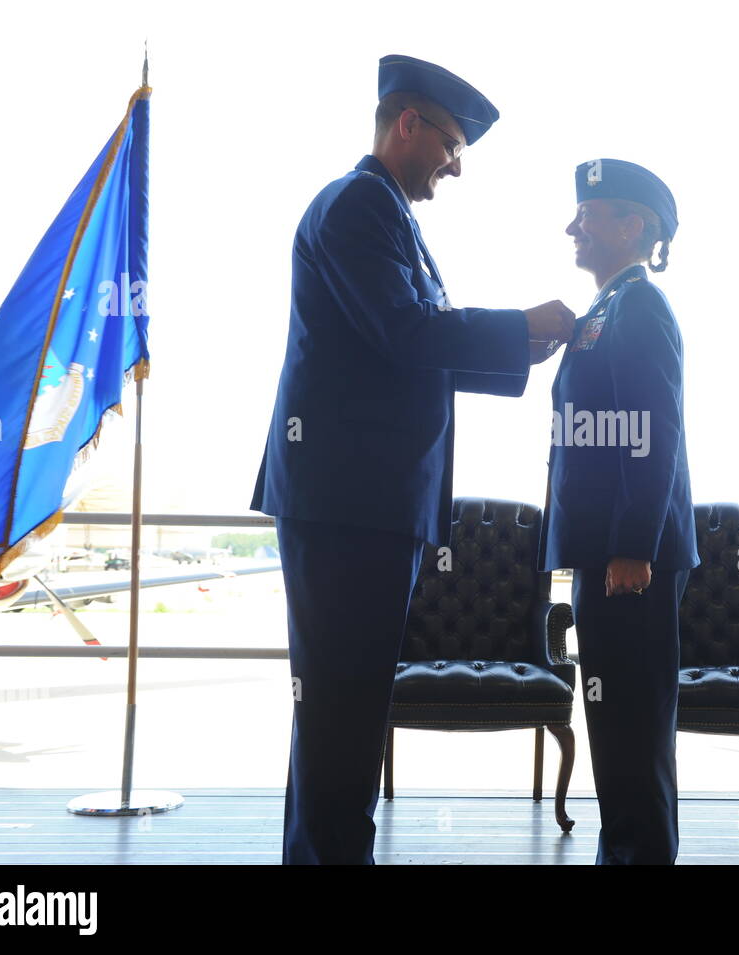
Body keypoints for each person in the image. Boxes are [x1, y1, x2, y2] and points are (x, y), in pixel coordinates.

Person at [250, 54, 575, 865]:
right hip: (346, 508)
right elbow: (407, 333)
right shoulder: (360, 206)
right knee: (342, 712)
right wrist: (519, 323)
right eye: (453, 144)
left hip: (363, 507)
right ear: (408, 125)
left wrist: (519, 349)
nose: (457, 165)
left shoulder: (386, 214)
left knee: (343, 711)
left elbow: (409, 344)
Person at [539, 159, 699, 864]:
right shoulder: (607, 308)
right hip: (604, 554)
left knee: (632, 729)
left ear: (632, 225)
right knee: (614, 725)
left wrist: (633, 544)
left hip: (629, 559)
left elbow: (654, 430)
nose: (573, 225)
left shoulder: (640, 307)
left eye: (589, 214)